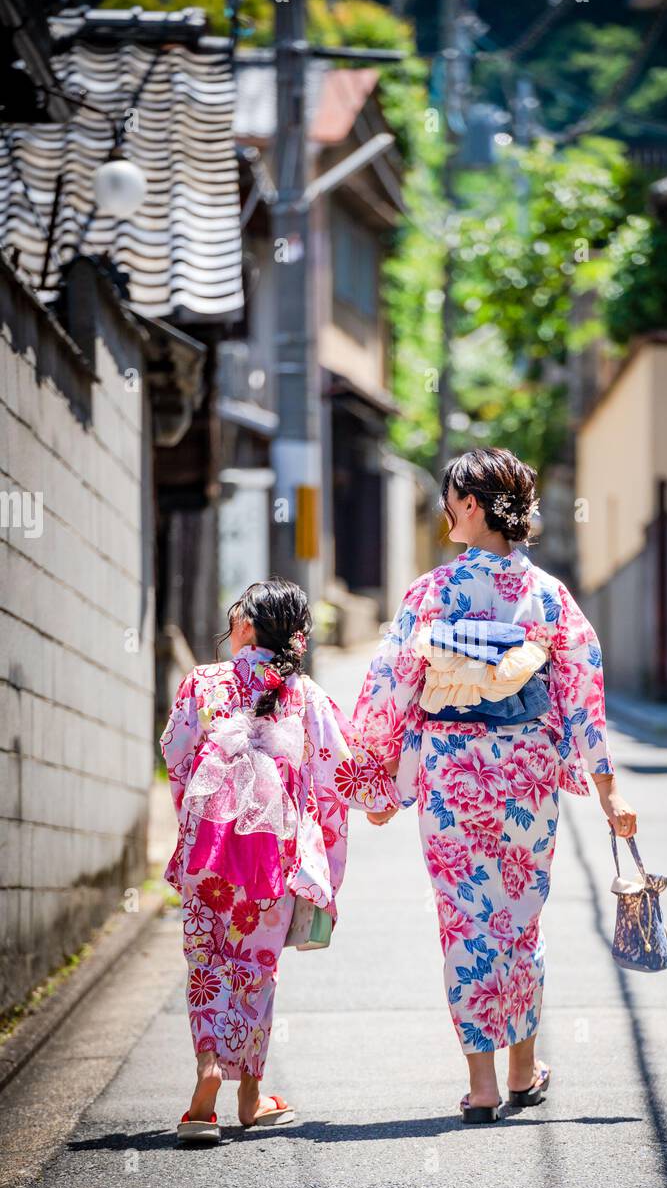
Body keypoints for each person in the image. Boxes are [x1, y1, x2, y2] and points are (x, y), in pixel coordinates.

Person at [353, 448, 637, 1123]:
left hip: (452, 774)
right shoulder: (547, 596)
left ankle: (482, 1084)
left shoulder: (431, 593)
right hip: (525, 776)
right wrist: (606, 789)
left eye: (451, 497)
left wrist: (377, 784)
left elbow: (391, 686)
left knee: (463, 924)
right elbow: (580, 692)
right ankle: (523, 1069)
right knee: (518, 921)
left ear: (473, 506)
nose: (444, 508)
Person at [160, 579, 399, 1143]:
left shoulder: (202, 683)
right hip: (271, 856)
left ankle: (207, 1078)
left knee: (206, 965)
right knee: (256, 970)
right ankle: (250, 1095)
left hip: (210, 850)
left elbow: (174, 754)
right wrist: (382, 802)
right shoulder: (306, 695)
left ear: (244, 626)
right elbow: (342, 766)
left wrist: (193, 812)